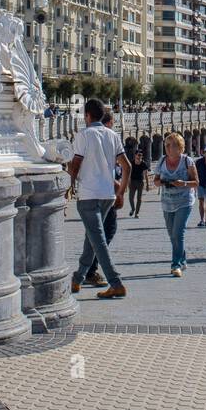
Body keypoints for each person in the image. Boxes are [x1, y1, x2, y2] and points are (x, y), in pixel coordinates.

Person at [68, 99, 130, 299]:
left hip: (88, 194)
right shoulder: (112, 135)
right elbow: (127, 166)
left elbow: (75, 164)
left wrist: (70, 185)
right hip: (107, 196)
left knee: (98, 240)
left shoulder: (83, 135)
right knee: (92, 239)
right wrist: (121, 191)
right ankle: (77, 279)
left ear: (87, 116)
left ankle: (116, 282)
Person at [84, 110, 124, 285]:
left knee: (97, 233)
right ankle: (90, 271)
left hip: (95, 195)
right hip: (104, 195)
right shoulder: (107, 139)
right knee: (105, 233)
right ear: (107, 123)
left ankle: (89, 270)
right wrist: (119, 189)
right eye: (112, 123)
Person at [155, 133, 198, 276]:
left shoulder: (187, 161)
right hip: (167, 202)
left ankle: (176, 265)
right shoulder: (161, 161)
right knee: (172, 235)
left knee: (178, 233)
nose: (167, 148)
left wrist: (183, 183)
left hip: (184, 201)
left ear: (180, 148)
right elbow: (155, 180)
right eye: (166, 145)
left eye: (171, 145)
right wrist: (161, 182)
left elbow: (196, 182)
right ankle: (183, 258)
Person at [126, 137, 148, 217]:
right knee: (131, 198)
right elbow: (128, 173)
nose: (140, 156)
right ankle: (133, 208)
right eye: (138, 155)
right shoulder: (131, 163)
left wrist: (147, 185)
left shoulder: (143, 164)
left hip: (140, 182)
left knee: (139, 199)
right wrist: (128, 183)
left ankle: (137, 213)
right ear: (135, 155)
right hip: (132, 181)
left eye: (141, 155)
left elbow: (146, 174)